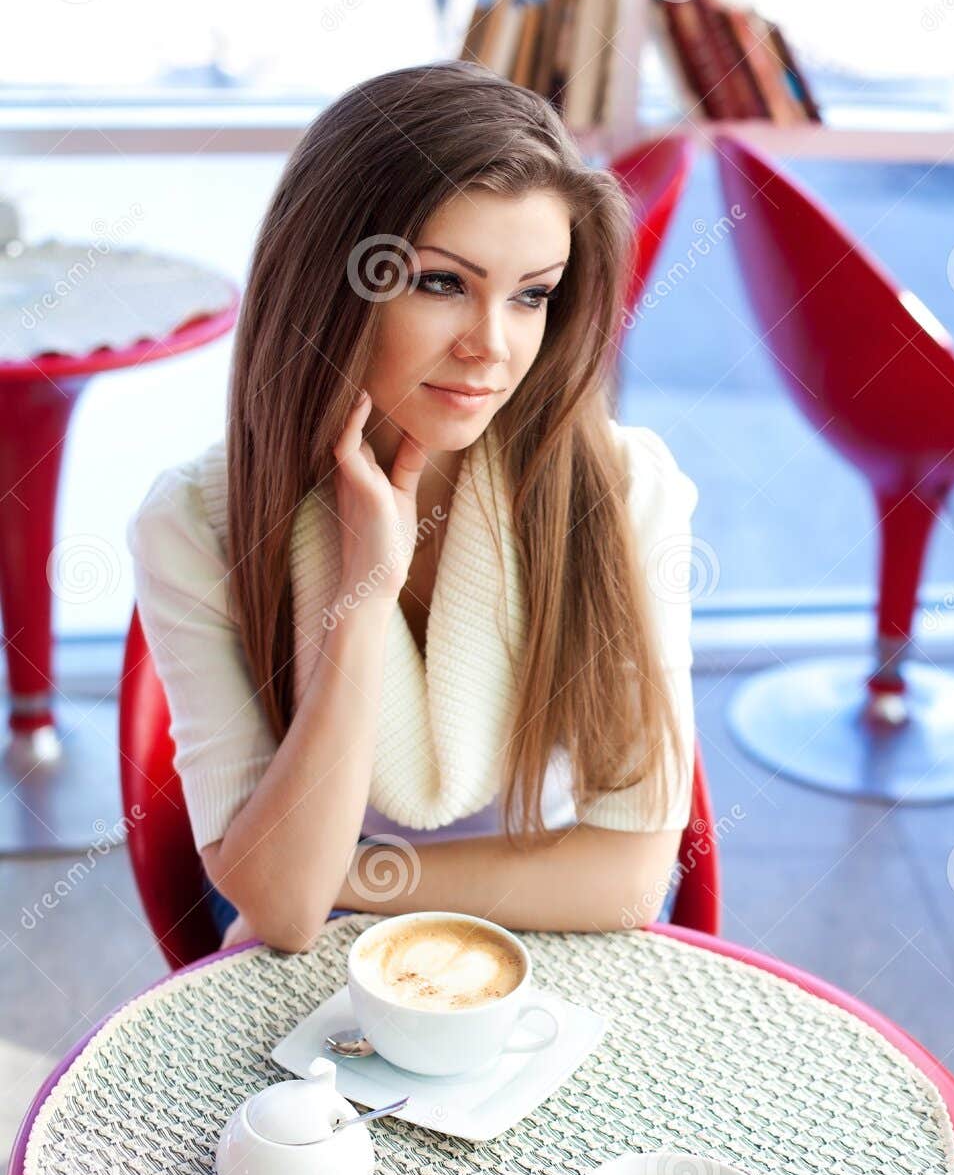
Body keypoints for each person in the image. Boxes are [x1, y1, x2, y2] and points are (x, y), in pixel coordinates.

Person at [126, 60, 700, 955]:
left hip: (556, 953)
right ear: (329, 286)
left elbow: (625, 877)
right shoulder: (196, 524)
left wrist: (342, 886)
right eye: (440, 283)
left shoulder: (625, 491)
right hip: (334, 967)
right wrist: (361, 596)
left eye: (532, 295)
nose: (492, 348)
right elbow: (278, 913)